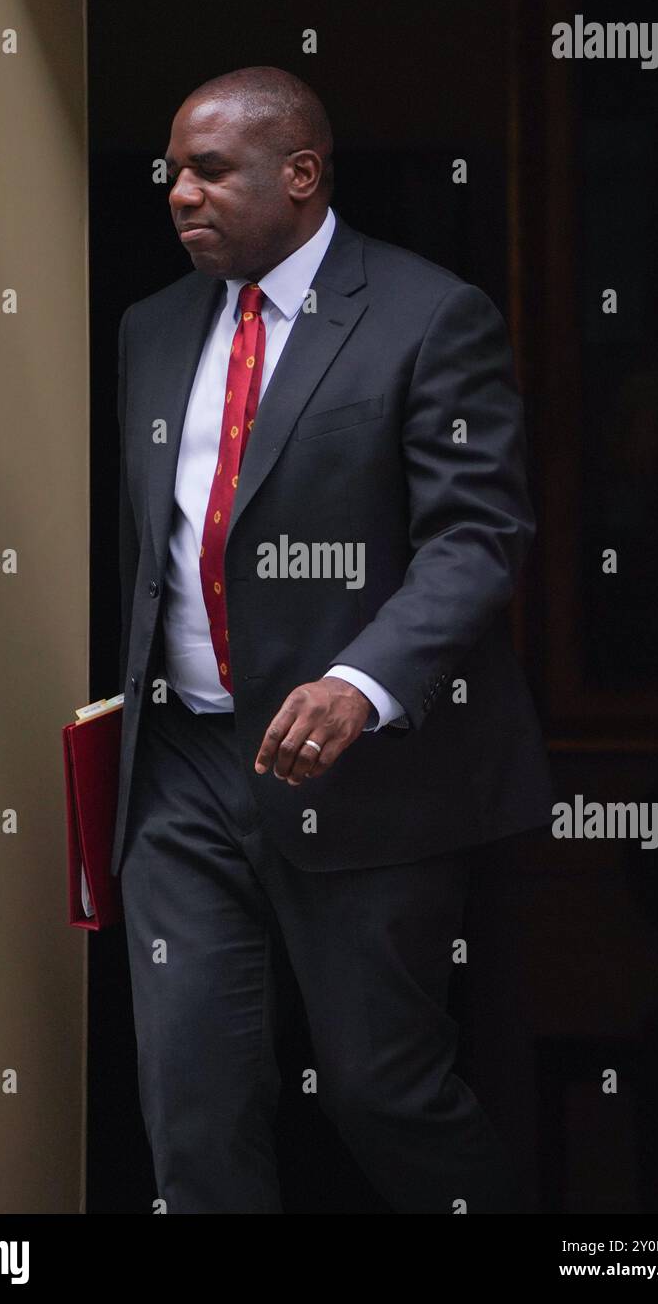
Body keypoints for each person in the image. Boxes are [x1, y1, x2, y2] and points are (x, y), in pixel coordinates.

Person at [111, 65, 554, 1213]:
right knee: (191, 1101)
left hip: (364, 771)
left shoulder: (427, 315)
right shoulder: (152, 329)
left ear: (301, 174)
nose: (180, 194)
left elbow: (477, 535)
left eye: (211, 171)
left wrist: (361, 680)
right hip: (183, 769)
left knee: (381, 1092)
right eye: (173, 172)